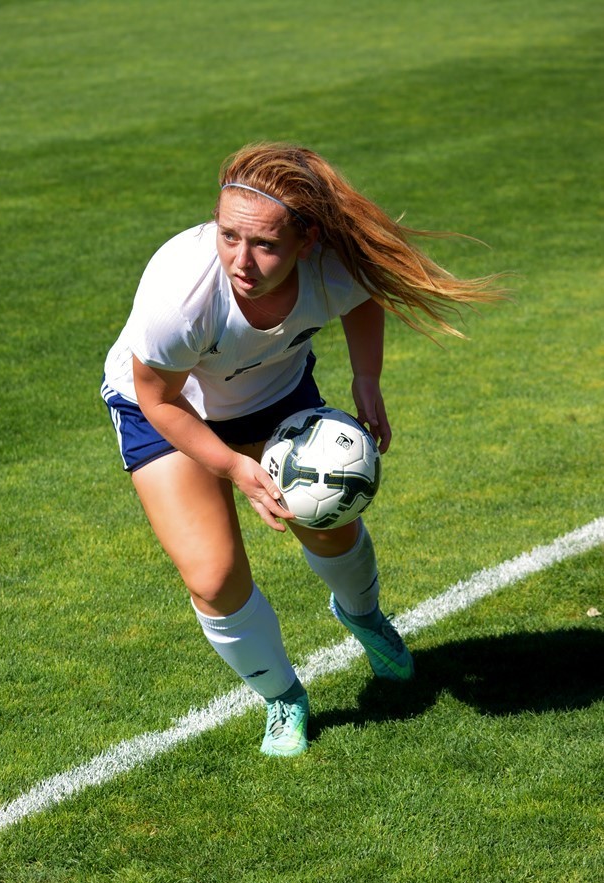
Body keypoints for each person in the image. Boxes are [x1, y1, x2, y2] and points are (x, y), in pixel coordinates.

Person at [101, 142, 501, 757]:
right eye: (228, 236)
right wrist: (235, 467)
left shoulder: (334, 265)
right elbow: (158, 399)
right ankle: (283, 696)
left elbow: (364, 294)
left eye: (264, 244)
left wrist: (367, 380)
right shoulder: (178, 296)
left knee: (331, 530)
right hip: (166, 410)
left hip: (274, 397)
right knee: (213, 577)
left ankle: (364, 617)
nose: (241, 259)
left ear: (307, 240)